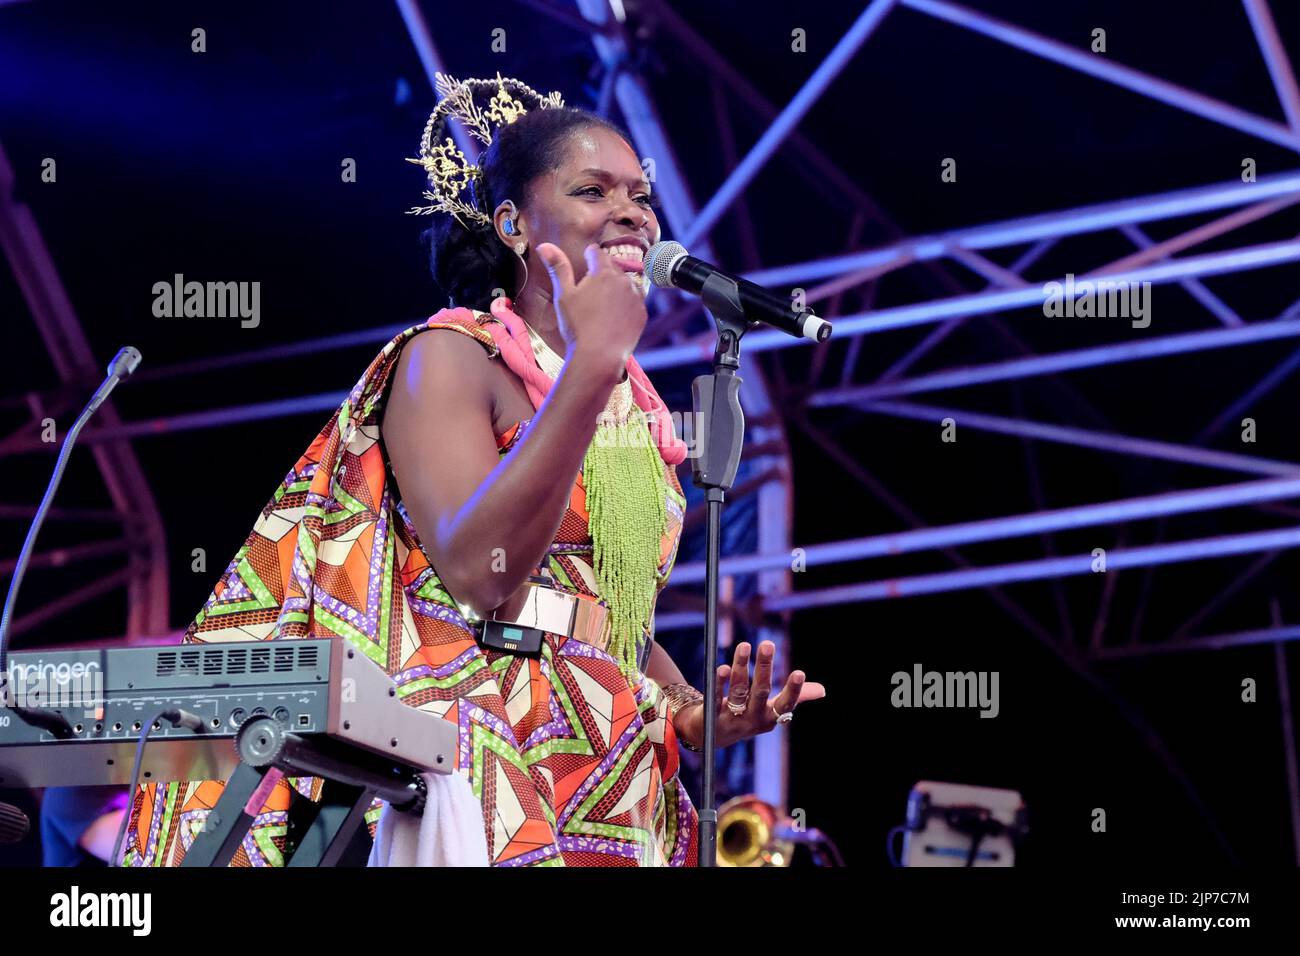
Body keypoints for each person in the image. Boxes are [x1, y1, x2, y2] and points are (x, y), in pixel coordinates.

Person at [118, 73, 823, 868]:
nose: (633, 212)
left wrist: (691, 709)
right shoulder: (448, 359)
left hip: (607, 755)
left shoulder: (629, 405)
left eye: (640, 194)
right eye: (592, 190)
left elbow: (603, 616)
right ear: (513, 224)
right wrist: (591, 368)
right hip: (477, 732)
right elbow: (478, 573)